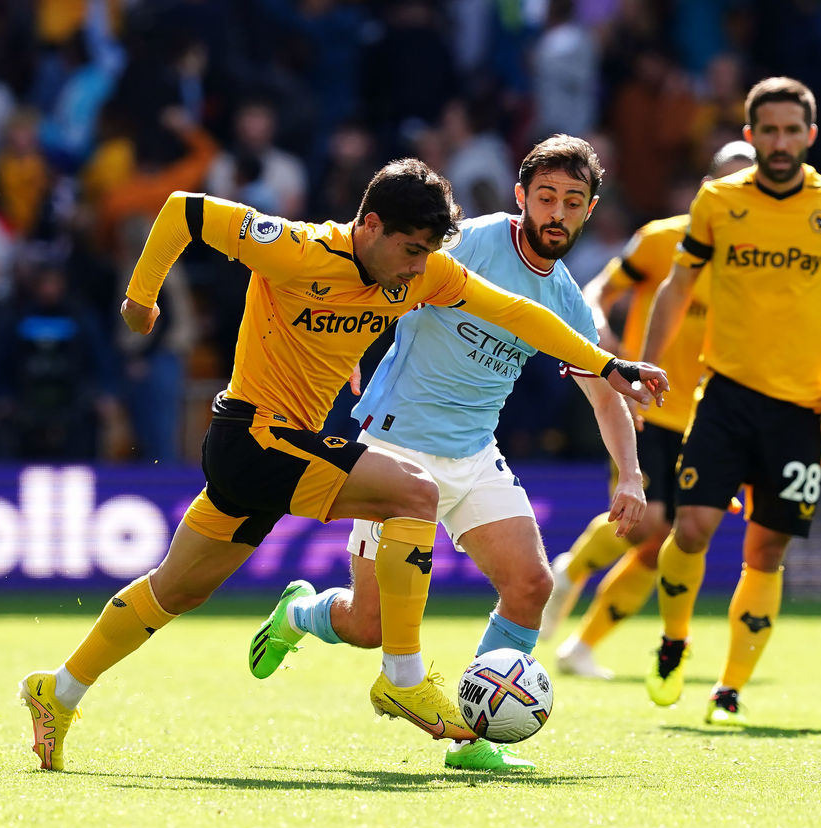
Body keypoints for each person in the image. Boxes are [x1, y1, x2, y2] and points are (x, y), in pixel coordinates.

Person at [18, 158, 666, 771]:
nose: (419, 268)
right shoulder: (295, 248)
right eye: (411, 250)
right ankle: (403, 679)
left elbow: (517, 312)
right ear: (372, 225)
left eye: (428, 253)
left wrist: (610, 365)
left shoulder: (423, 272)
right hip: (252, 436)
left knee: (175, 590)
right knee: (413, 492)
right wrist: (141, 297)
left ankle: (58, 689)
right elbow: (184, 209)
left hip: (283, 448)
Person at [247, 135, 645, 772]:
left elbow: (604, 394)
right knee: (369, 626)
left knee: (532, 585)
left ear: (589, 210)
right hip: (394, 443)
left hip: (474, 453)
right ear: (521, 196)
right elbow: (381, 269)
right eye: (546, 197)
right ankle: (298, 612)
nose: (557, 213)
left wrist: (630, 475)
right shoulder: (471, 241)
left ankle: (472, 737)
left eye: (573, 202)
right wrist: (345, 345)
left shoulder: (567, 298)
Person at [641, 77, 821, 725]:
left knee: (767, 551)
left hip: (802, 408)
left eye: (791, 130)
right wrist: (647, 363)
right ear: (751, 135)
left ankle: (729, 689)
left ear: (810, 135)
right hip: (726, 394)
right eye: (768, 130)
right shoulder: (718, 200)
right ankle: (673, 640)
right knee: (691, 527)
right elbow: (677, 284)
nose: (780, 142)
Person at [542, 141, 757, 681]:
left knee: (667, 539)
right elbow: (600, 289)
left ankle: (581, 646)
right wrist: (604, 337)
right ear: (707, 190)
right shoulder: (663, 239)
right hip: (648, 405)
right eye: (729, 184)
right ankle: (568, 572)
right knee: (652, 522)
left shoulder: (757, 261)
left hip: (708, 417)